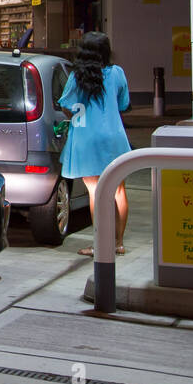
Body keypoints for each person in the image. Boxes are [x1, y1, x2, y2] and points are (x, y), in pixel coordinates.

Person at [58, 31, 131, 256]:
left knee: (95, 192)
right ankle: (118, 242)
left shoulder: (76, 77)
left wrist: (77, 118)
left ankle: (100, 244)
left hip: (86, 137)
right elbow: (123, 104)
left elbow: (66, 105)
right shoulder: (117, 73)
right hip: (114, 136)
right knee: (119, 190)